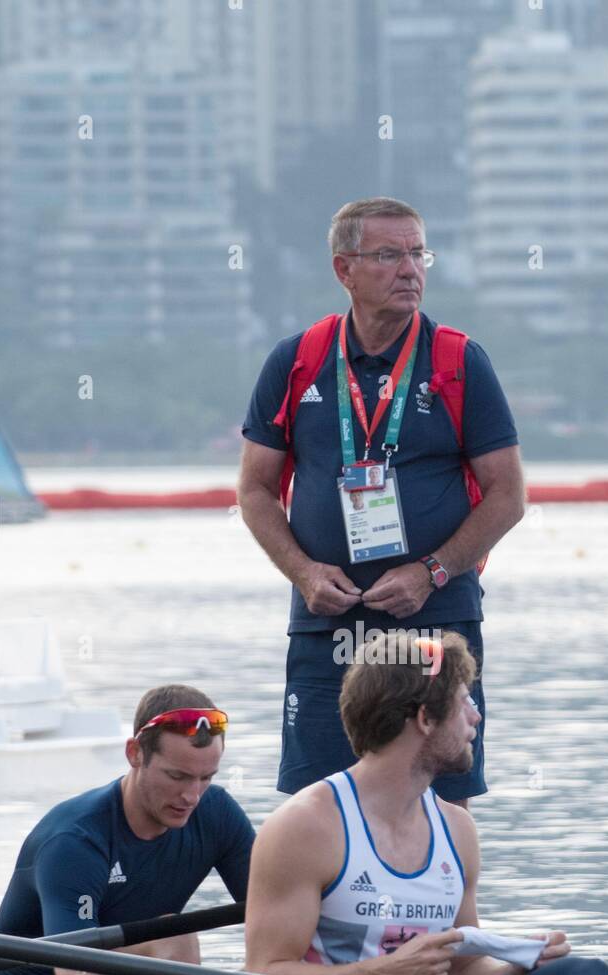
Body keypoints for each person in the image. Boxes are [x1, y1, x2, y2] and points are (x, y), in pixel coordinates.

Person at [238, 196, 525, 809]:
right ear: (344, 269)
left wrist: (430, 573)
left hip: (435, 621)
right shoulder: (297, 361)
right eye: (389, 255)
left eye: (419, 253)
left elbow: (508, 496)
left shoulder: (459, 361)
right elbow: (255, 490)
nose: (410, 270)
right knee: (317, 802)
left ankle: (448, 910)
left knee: (441, 801)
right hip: (328, 618)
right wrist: (303, 572)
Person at [245, 633, 608, 975]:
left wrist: (518, 966)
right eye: (464, 703)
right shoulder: (306, 827)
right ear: (424, 718)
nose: (476, 717)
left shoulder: (456, 829)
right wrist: (385, 974)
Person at [0, 685, 255, 975]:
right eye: (177, 777)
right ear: (134, 754)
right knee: (175, 941)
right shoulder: (75, 840)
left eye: (206, 778)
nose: (192, 796)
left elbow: (276, 926)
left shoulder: (216, 813)